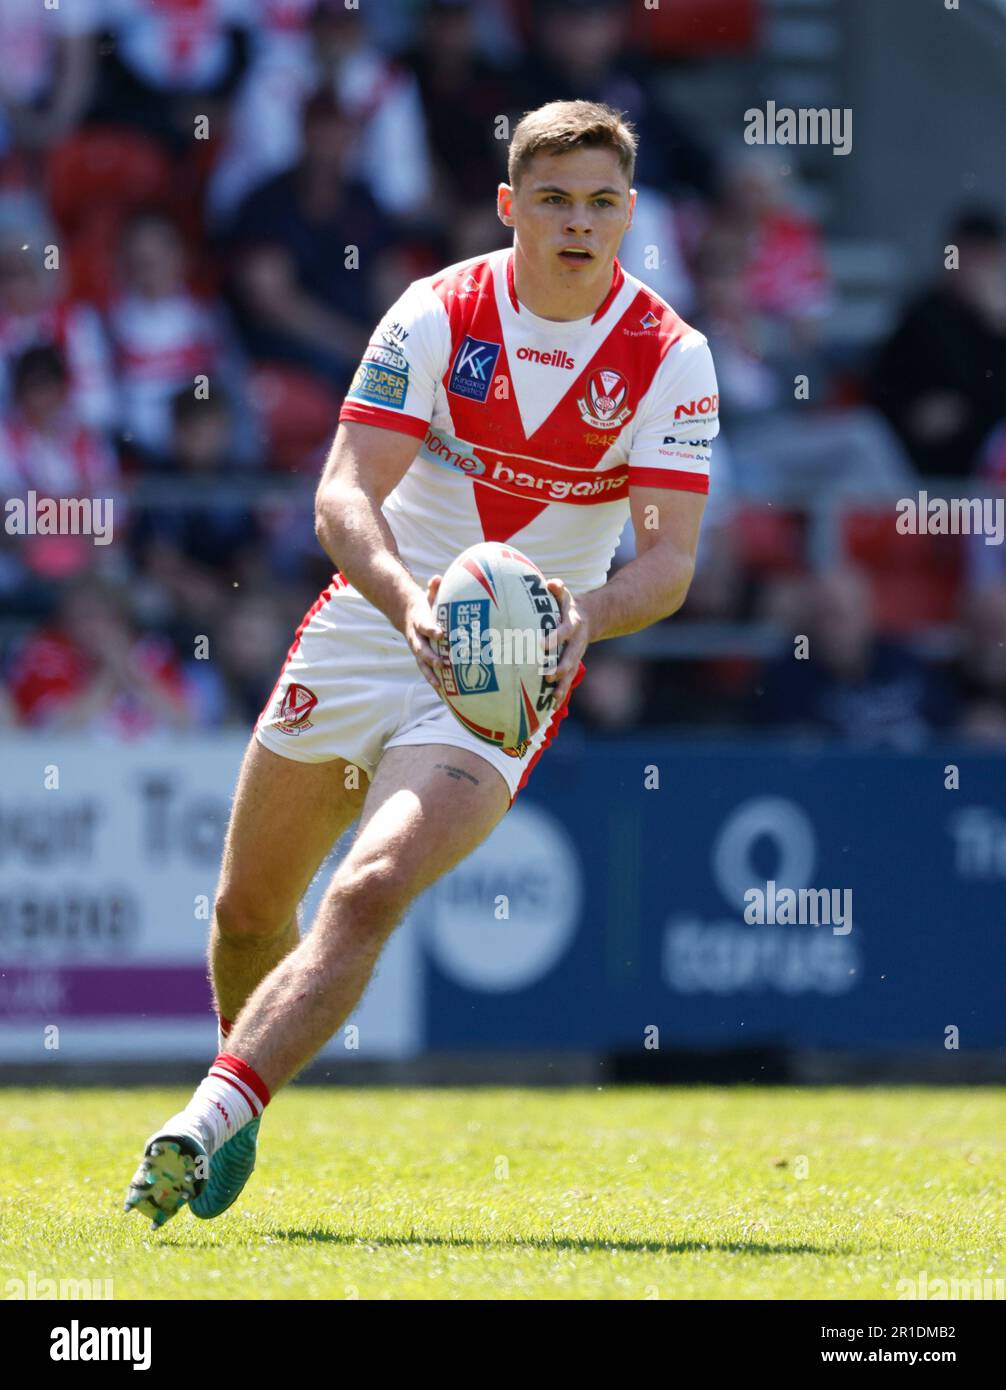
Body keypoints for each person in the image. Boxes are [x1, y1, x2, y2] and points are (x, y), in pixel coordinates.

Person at [123, 99, 719, 1228]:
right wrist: (408, 604)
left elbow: (671, 564)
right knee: (251, 908)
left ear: (630, 214)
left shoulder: (669, 358)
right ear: (508, 206)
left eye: (600, 203)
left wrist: (578, 618)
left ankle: (205, 1118)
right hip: (374, 621)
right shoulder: (437, 311)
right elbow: (343, 493)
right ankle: (244, 1094)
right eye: (552, 200)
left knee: (371, 884)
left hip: (512, 664)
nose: (577, 224)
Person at [872, 208, 1006, 478]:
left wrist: (997, 327)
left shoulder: (998, 322)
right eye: (962, 256)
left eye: (981, 257)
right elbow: (882, 385)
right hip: (927, 459)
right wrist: (912, 414)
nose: (971, 268)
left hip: (988, 451)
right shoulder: (923, 314)